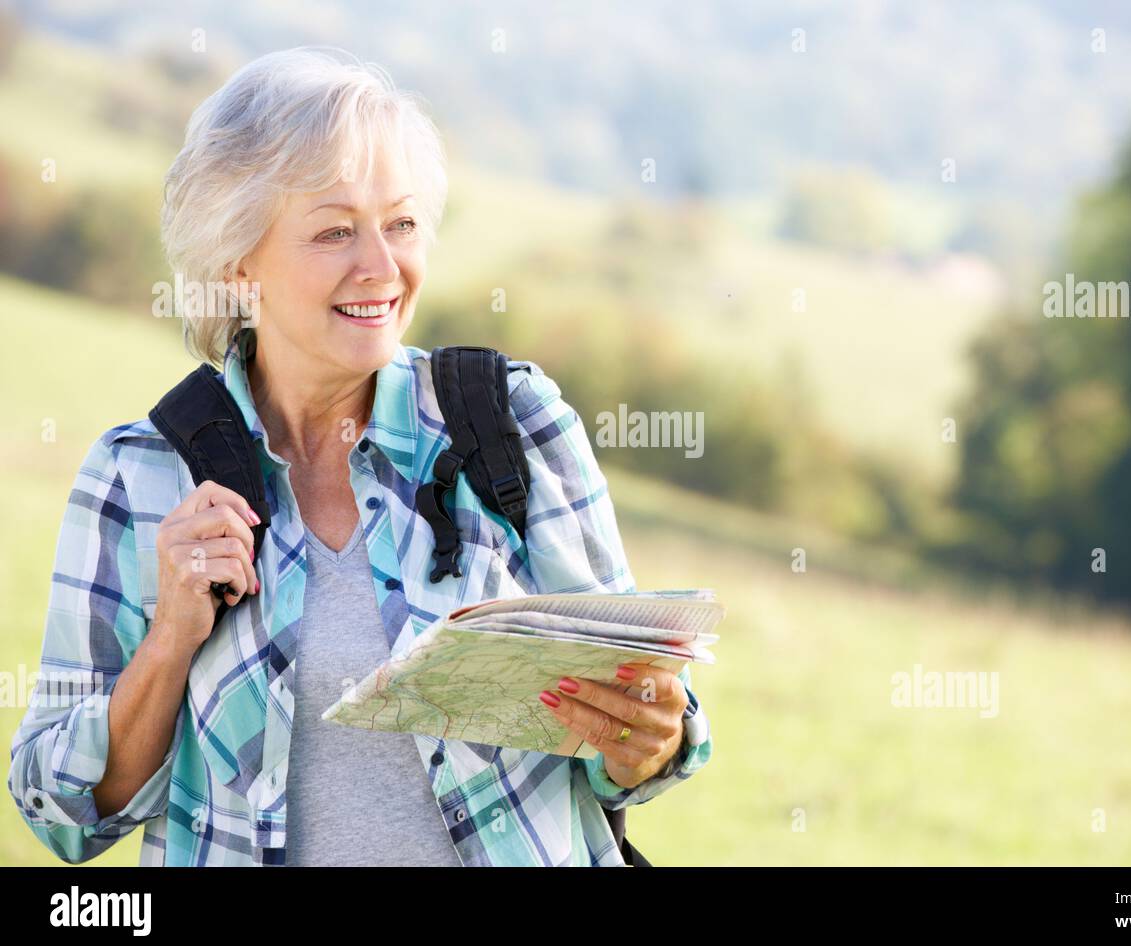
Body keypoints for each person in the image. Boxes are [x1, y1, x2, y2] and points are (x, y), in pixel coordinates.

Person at [8, 47, 711, 866]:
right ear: (238, 264)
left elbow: (642, 727)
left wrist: (650, 739)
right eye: (336, 230)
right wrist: (169, 640)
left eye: (401, 224)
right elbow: (60, 816)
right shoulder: (138, 476)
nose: (381, 267)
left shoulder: (511, 421)